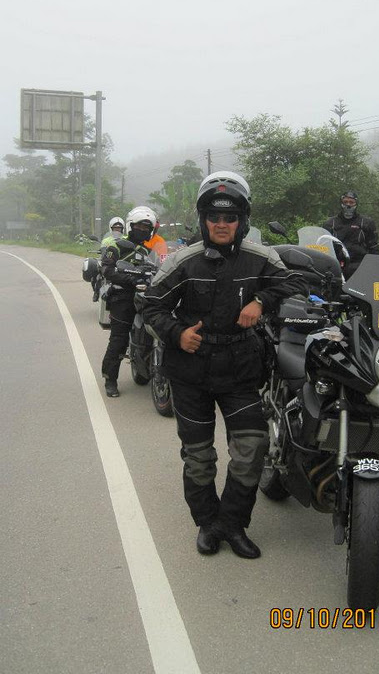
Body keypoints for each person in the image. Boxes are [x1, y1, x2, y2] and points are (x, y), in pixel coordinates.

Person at [141, 171, 305, 559]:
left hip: (240, 371)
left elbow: (296, 283)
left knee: (252, 448)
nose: (221, 223)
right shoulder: (183, 261)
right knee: (199, 457)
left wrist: (262, 301)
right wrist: (177, 333)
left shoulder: (261, 257)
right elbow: (150, 305)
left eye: (230, 217)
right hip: (190, 372)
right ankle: (207, 524)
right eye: (213, 216)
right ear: (203, 220)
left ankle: (232, 524)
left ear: (242, 221)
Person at [101, 206, 157, 397]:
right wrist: (130, 279)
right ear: (130, 226)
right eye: (139, 226)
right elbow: (107, 270)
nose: (143, 230)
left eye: (146, 227)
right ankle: (110, 379)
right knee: (119, 339)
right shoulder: (116, 246)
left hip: (145, 295)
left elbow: (159, 269)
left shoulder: (148, 252)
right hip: (122, 296)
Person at [323, 190, 379, 278]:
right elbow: (323, 246)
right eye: (345, 202)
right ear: (341, 203)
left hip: (359, 267)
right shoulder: (330, 223)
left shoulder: (366, 223)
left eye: (351, 202)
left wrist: (375, 267)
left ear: (356, 204)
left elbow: (374, 248)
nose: (348, 205)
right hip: (336, 265)